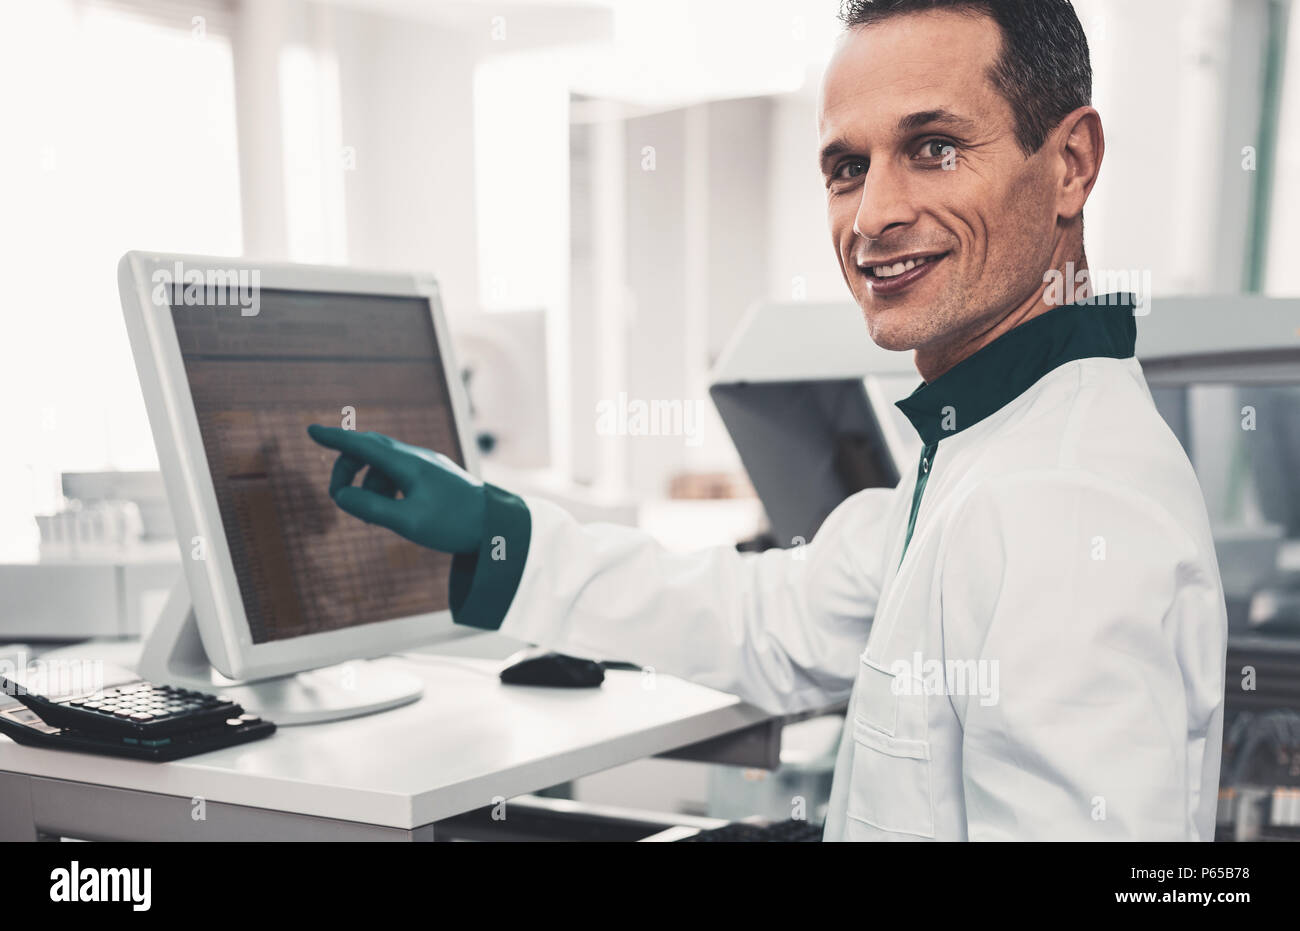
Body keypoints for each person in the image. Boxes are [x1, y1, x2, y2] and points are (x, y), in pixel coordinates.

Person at [308, 0, 1227, 841]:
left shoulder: (1062, 502)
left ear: (1070, 165)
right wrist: (497, 533)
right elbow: (771, 621)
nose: (875, 215)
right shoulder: (985, 445)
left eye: (935, 147)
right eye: (846, 167)